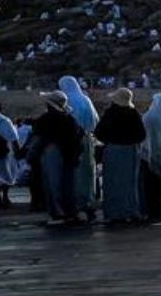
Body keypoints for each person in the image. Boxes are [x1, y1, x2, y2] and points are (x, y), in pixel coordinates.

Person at [93, 89, 147, 225]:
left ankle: (115, 213)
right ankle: (131, 211)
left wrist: (110, 140)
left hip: (113, 150)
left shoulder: (111, 113)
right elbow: (141, 134)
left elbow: (98, 132)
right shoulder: (133, 113)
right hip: (131, 151)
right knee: (130, 183)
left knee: (112, 182)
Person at [32, 91, 85, 224]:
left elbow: (40, 137)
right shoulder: (70, 118)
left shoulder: (46, 119)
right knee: (68, 184)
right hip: (69, 153)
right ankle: (70, 210)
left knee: (52, 183)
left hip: (52, 152)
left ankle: (57, 211)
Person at [58, 76, 100, 219]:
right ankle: (87, 202)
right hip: (86, 140)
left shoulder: (64, 102)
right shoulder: (85, 100)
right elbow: (95, 122)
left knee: (71, 173)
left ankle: (72, 204)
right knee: (87, 172)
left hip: (69, 141)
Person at [139, 93, 161, 222]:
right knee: (160, 184)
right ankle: (158, 210)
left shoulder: (148, 116)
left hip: (147, 154)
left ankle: (149, 210)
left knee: (148, 184)